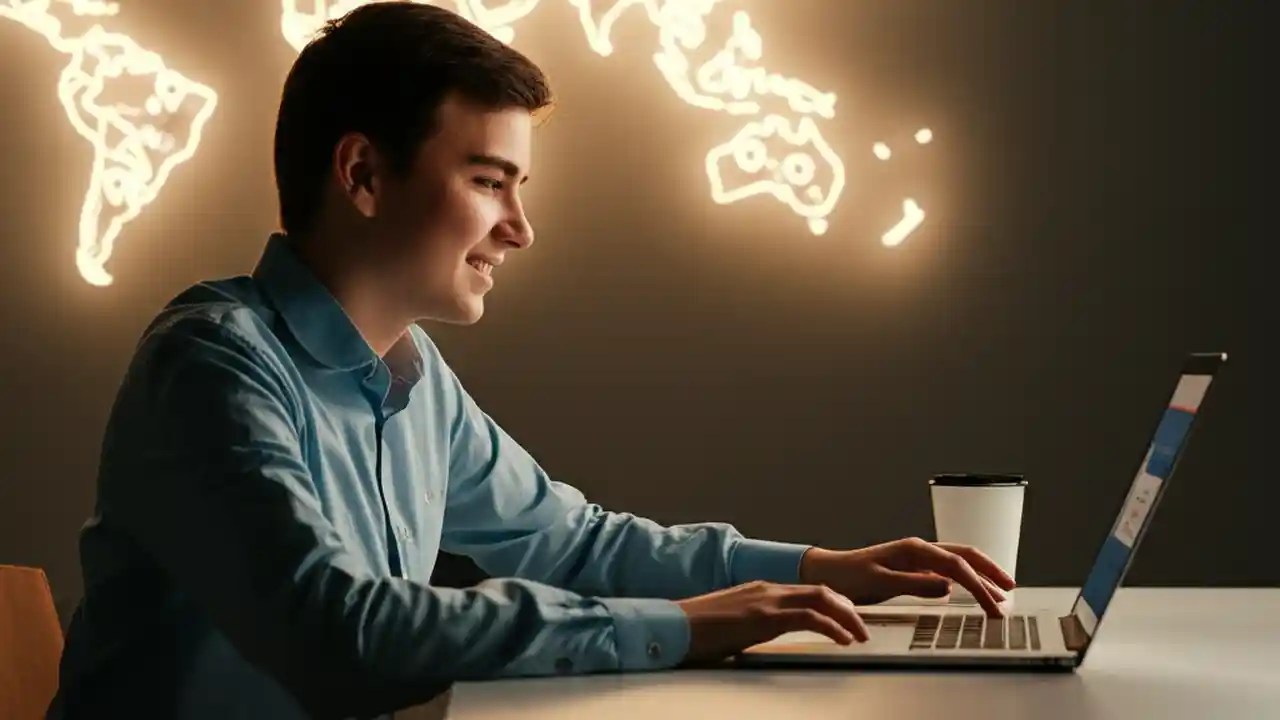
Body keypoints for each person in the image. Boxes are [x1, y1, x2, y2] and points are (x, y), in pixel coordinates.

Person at [49, 4, 1015, 718]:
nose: (520, 229)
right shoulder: (213, 367)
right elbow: (339, 635)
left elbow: (578, 543)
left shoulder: (412, 378)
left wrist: (819, 569)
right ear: (362, 175)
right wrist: (687, 627)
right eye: (488, 182)